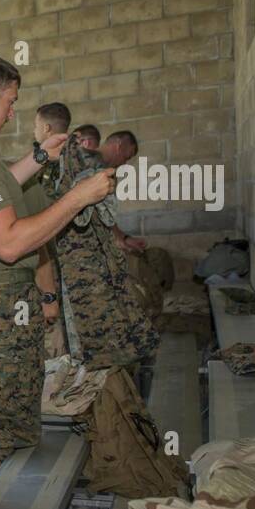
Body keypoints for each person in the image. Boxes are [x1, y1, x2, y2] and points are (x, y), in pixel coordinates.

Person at [0, 55, 114, 495]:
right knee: (6, 424)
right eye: (9, 102)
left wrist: (37, 158)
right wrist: (79, 198)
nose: (12, 112)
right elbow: (9, 242)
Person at [41, 123, 158, 370]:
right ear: (119, 145)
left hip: (85, 262)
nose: (125, 162)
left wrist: (123, 239)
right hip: (78, 263)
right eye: (126, 156)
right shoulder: (85, 165)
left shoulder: (93, 168)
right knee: (87, 328)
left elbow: (102, 218)